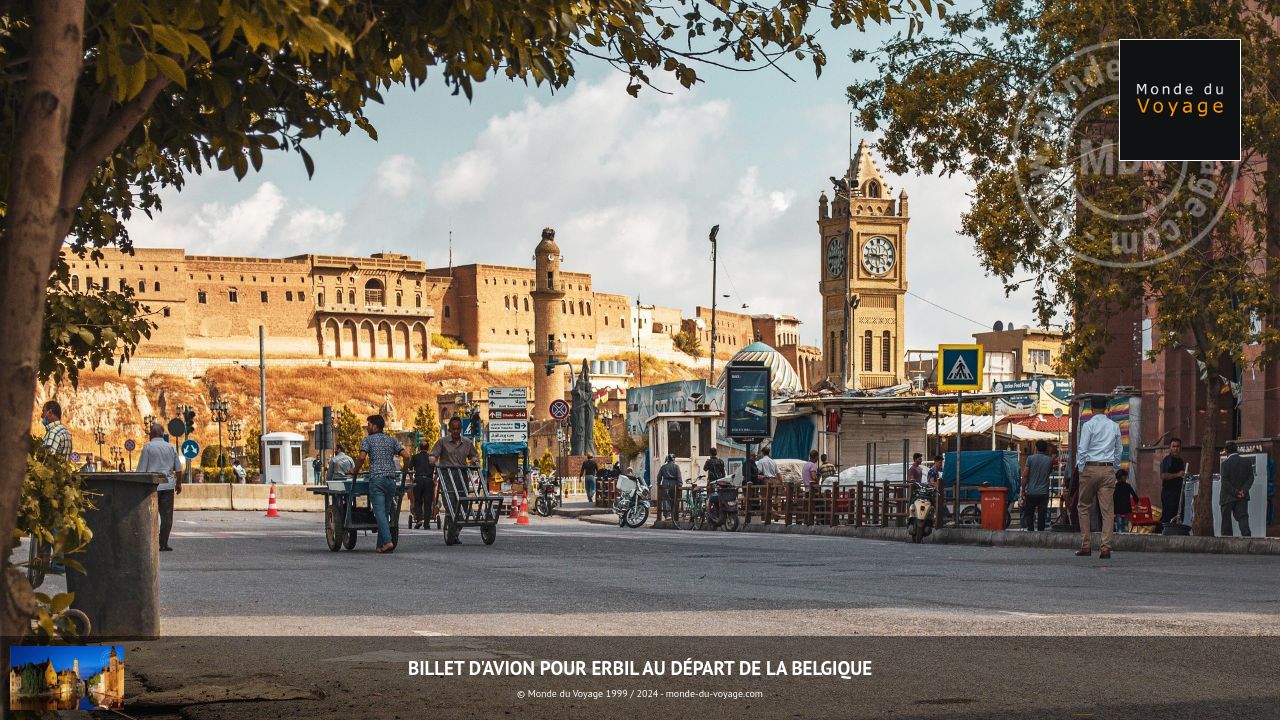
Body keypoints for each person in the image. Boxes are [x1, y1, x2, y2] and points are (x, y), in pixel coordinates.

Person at [351, 414, 410, 553]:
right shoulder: (392, 440)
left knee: (379, 513)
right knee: (384, 512)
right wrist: (404, 470)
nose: (367, 428)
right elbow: (407, 456)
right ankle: (380, 546)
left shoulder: (368, 440)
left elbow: (361, 457)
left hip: (377, 480)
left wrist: (354, 470)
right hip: (391, 480)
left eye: (369, 425)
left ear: (375, 426)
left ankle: (388, 542)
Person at [1074, 395, 1122, 558]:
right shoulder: (1114, 426)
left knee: (1084, 506)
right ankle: (1105, 547)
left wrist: (1082, 469)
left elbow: (1082, 449)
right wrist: (1114, 468)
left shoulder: (1088, 425)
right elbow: (1119, 450)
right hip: (1107, 469)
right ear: (1107, 409)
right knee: (1107, 510)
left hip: (1090, 468)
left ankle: (1086, 545)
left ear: (1092, 409)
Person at [136, 422, 183, 551]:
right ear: (162, 434)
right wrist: (178, 483)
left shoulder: (148, 447)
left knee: (151, 515)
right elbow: (178, 469)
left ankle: (151, 542)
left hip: (152, 487)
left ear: (151, 434)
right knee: (167, 517)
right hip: (167, 486)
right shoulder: (171, 447)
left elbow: (141, 470)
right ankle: (163, 543)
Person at [1219, 441, 1255, 537]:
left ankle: (1227, 539)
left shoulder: (1225, 464)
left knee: (1226, 519)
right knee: (1243, 516)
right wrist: (1243, 490)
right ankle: (1247, 536)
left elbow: (1225, 482)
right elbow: (1251, 478)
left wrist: (1235, 492)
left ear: (1226, 451)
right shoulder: (1247, 462)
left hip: (1227, 496)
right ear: (1237, 450)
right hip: (1243, 495)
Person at [1021, 440, 1053, 532]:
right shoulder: (1049, 460)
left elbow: (1025, 475)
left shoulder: (1030, 459)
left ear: (1036, 447)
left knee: (1029, 514)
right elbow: (1049, 472)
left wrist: (1023, 489)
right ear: (1046, 449)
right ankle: (1040, 533)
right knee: (1042, 515)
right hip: (1044, 493)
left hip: (1031, 492)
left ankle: (1030, 532)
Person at [1158, 438, 1186, 531]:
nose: (1175, 449)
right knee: (1168, 516)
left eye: (1177, 446)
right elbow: (1163, 475)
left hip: (1179, 492)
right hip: (1169, 493)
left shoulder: (1181, 461)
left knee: (1179, 515)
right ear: (1170, 448)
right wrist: (1177, 474)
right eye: (1173, 446)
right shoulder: (1167, 460)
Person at [410, 439, 436, 529]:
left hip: (418, 480)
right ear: (428, 448)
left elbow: (410, 470)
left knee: (417, 501)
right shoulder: (431, 458)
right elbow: (436, 470)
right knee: (428, 502)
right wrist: (434, 480)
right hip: (429, 480)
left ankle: (419, 519)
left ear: (420, 447)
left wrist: (411, 479)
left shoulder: (415, 457)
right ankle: (427, 524)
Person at [1113, 468, 1140, 533]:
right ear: (1123, 477)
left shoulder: (1115, 486)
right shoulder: (1128, 486)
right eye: (1126, 476)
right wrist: (1136, 503)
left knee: (1119, 526)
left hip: (1118, 510)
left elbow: (1112, 497)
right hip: (1126, 509)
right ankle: (1126, 539)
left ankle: (1119, 540)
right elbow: (1135, 496)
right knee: (1125, 525)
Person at [657, 453, 682, 521]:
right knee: (674, 499)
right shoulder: (676, 466)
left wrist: (658, 483)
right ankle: (674, 515)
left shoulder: (663, 467)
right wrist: (680, 484)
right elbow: (679, 476)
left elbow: (659, 476)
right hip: (674, 484)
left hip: (665, 483)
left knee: (666, 499)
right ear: (673, 459)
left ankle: (667, 515)